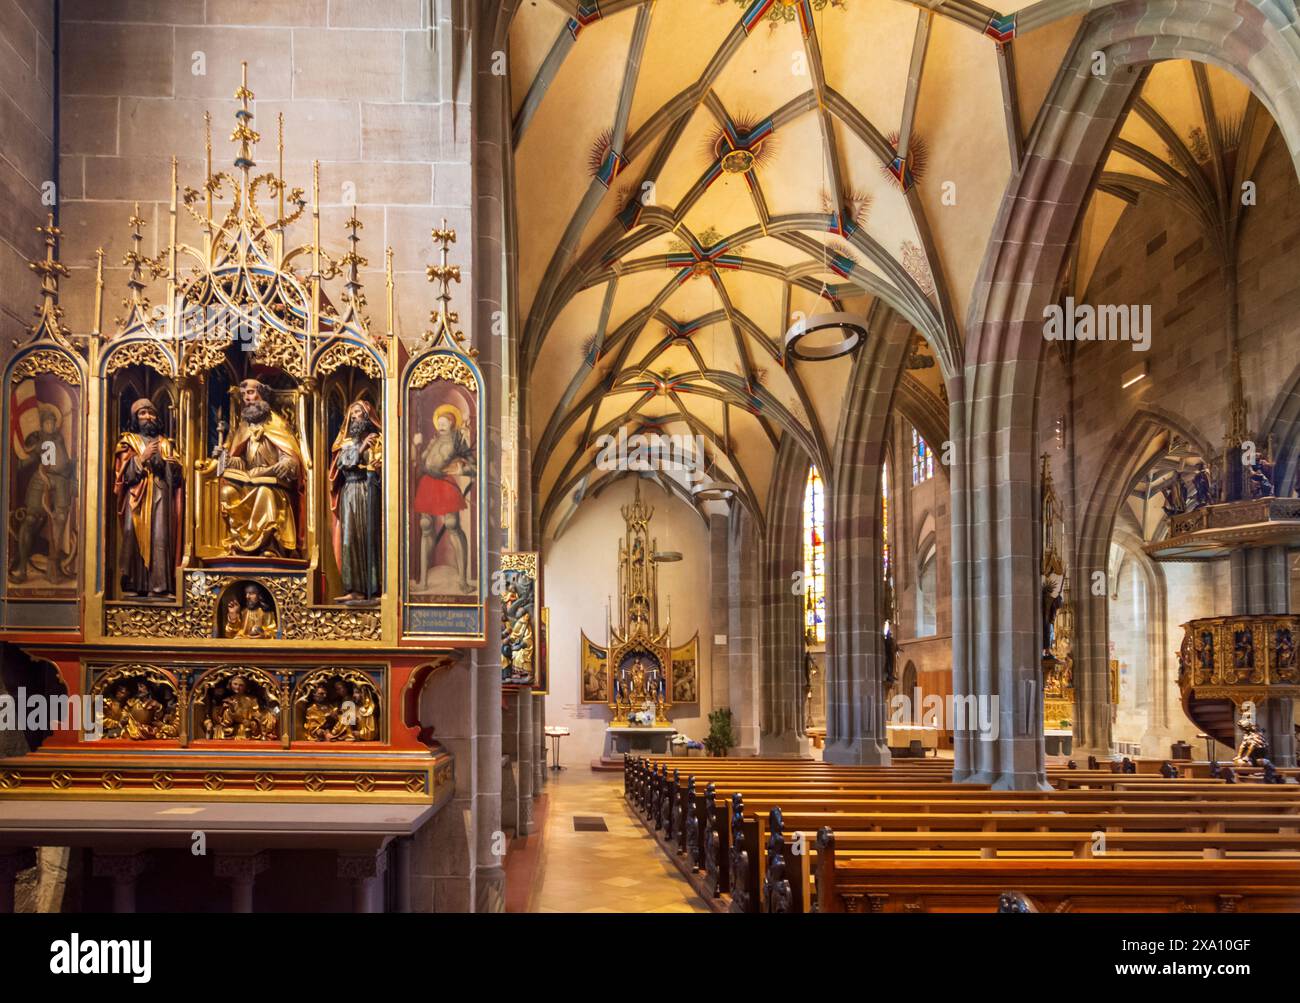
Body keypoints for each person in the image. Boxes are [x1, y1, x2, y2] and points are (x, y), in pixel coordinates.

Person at [213, 379, 306, 557]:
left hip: (274, 485)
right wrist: (223, 458)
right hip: (247, 482)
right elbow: (239, 461)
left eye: (250, 393)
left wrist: (286, 463)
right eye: (243, 395)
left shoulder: (277, 424)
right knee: (226, 493)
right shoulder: (242, 427)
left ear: (262, 394)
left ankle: (270, 546)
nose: (247, 399)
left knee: (265, 493)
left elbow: (292, 458)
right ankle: (238, 544)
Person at [114, 398, 183, 597]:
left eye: (151, 413)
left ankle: (160, 587)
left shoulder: (164, 443)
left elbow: (177, 477)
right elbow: (121, 476)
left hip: (161, 494)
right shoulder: (127, 441)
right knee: (131, 534)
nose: (148, 417)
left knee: (161, 537)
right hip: (136, 497)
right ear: (136, 418)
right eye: (143, 413)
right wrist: (141, 458)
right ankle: (133, 585)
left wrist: (165, 463)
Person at [413, 403, 475, 593]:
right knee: (425, 527)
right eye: (439, 421)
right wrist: (416, 446)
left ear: (452, 423)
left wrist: (461, 469)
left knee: (452, 524)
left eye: (445, 422)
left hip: (445, 483)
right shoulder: (432, 440)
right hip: (428, 483)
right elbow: (420, 463)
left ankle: (462, 581)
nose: (441, 425)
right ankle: (423, 581)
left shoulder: (458, 440)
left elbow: (473, 466)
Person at [11, 403, 76, 583]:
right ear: (42, 424)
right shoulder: (38, 440)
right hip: (41, 481)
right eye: (47, 422)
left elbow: (65, 462)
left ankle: (53, 567)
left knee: (61, 519)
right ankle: (22, 568)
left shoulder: (59, 439)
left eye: (53, 422)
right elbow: (26, 459)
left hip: (61, 481)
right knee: (31, 519)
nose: (51, 425)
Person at [328, 400, 383, 601]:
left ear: (367, 416)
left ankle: (375, 588)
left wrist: (376, 462)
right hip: (350, 491)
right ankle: (354, 589)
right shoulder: (346, 442)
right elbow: (343, 464)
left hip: (369, 491)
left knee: (370, 536)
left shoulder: (377, 439)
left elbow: (384, 465)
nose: (354, 416)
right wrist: (360, 450)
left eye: (358, 412)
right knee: (350, 538)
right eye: (351, 413)